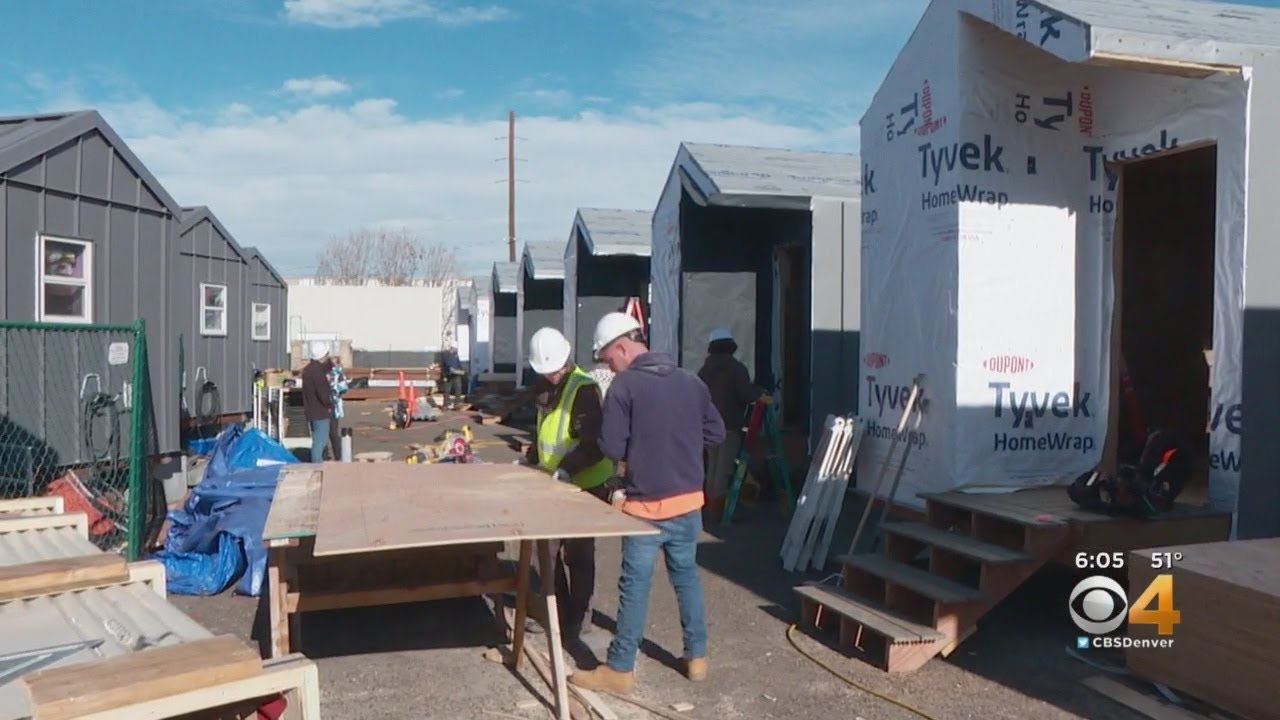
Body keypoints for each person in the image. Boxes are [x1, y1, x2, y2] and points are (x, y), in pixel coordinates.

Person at [569, 312, 725, 694]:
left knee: (635, 585)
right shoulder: (691, 381)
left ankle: (620, 668)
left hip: (644, 507)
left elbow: (610, 446)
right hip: (689, 502)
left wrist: (643, 452)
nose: (608, 367)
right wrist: (680, 448)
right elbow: (716, 432)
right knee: (686, 577)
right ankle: (697, 657)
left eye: (608, 358)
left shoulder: (625, 387)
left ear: (623, 347)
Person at [521, 327, 616, 641]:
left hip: (584, 482)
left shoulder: (584, 390)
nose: (553, 374)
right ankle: (555, 612)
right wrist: (533, 457)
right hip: (553, 482)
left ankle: (579, 617)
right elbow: (546, 431)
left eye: (556, 369)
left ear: (566, 358)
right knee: (545, 551)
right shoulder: (545, 387)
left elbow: (592, 443)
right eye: (547, 371)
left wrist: (566, 469)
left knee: (577, 554)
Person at [697, 328, 768, 523]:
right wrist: (760, 392)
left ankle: (709, 507)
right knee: (724, 469)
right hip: (729, 426)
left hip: (707, 427)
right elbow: (745, 394)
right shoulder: (736, 369)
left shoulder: (704, 370)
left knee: (712, 467)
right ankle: (718, 512)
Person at [301, 341, 335, 463]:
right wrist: (330, 403)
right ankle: (317, 466)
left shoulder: (308, 370)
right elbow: (323, 393)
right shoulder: (317, 372)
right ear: (322, 356)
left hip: (311, 410)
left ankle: (318, 463)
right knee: (320, 442)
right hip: (320, 411)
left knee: (318, 439)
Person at [327, 357, 350, 460]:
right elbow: (344, 388)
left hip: (331, 405)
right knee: (331, 432)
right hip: (332, 404)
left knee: (330, 432)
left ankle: (335, 455)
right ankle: (336, 455)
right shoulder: (336, 373)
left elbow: (343, 387)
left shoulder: (336, 373)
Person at [441, 342, 466, 410]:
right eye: (455, 348)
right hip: (448, 375)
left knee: (458, 389)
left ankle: (457, 403)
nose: (456, 350)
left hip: (456, 375)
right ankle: (445, 405)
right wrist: (451, 369)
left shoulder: (455, 355)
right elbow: (447, 364)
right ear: (452, 348)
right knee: (447, 390)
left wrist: (462, 370)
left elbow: (458, 363)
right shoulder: (446, 354)